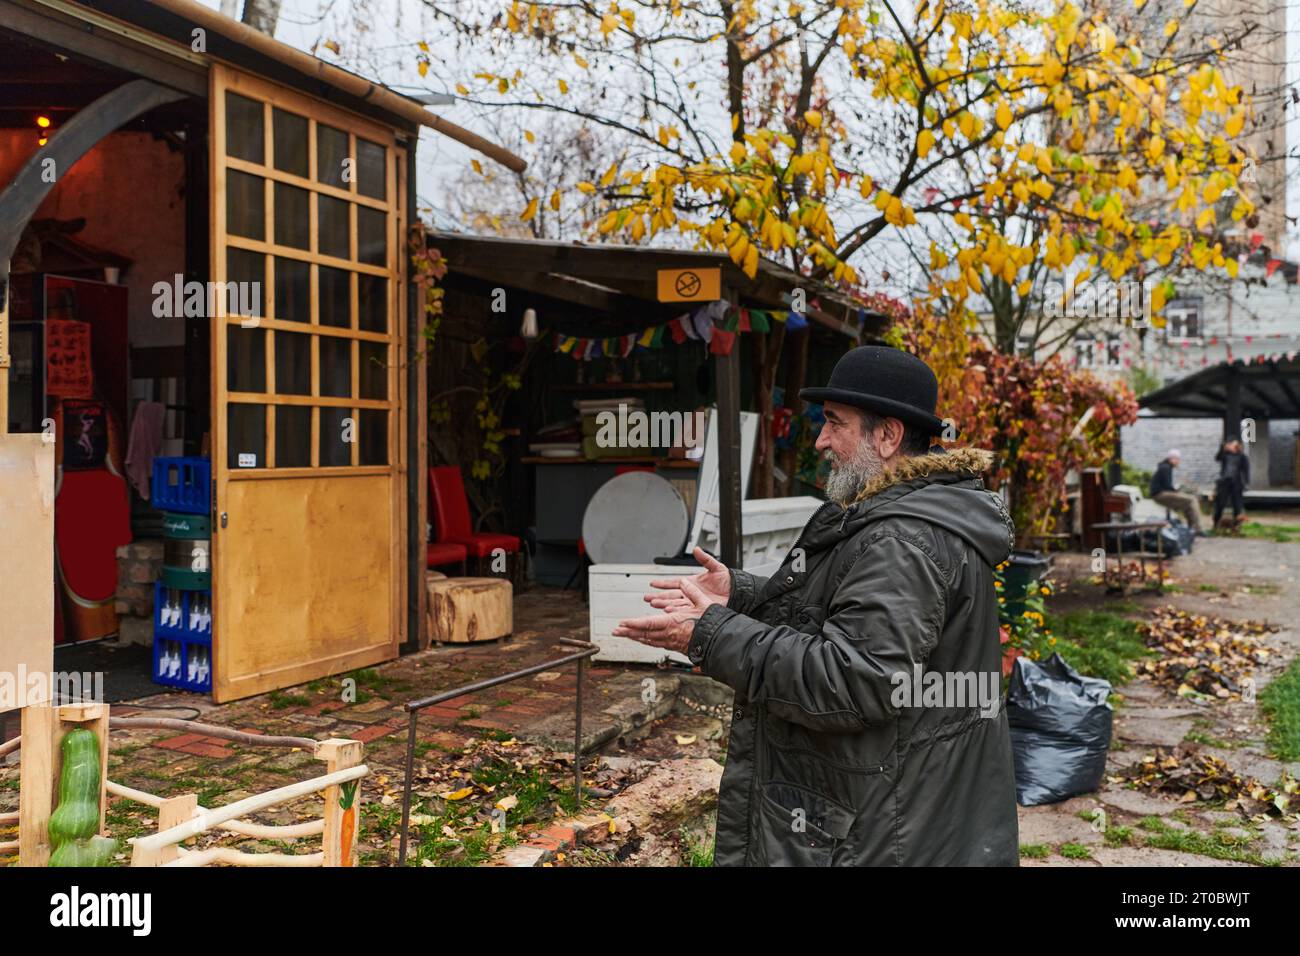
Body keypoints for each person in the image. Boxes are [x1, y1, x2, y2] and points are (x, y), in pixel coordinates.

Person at [613, 345, 1018, 866]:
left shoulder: (902, 540)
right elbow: (843, 614)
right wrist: (740, 594)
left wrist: (710, 635)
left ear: (888, 436)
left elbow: (856, 681)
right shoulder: (900, 517)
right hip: (901, 807)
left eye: (835, 423)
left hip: (880, 829)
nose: (822, 439)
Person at [1147, 449, 1204, 534]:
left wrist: (1176, 490)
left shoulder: (1165, 467)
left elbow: (1166, 485)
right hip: (1160, 494)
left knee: (1187, 504)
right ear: (1172, 458)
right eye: (1177, 459)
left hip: (1160, 493)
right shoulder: (1166, 468)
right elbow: (1167, 486)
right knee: (1192, 499)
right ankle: (1198, 529)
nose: (1178, 461)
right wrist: (1176, 490)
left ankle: (1192, 529)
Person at [1213, 438, 1250, 528]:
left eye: (1232, 444)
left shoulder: (1242, 456)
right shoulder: (1225, 455)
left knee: (1237, 504)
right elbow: (1217, 458)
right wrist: (1222, 447)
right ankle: (1216, 522)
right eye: (1230, 444)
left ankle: (1237, 524)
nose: (1231, 446)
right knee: (1220, 503)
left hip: (1236, 483)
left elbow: (1246, 471)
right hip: (1224, 482)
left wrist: (1246, 483)